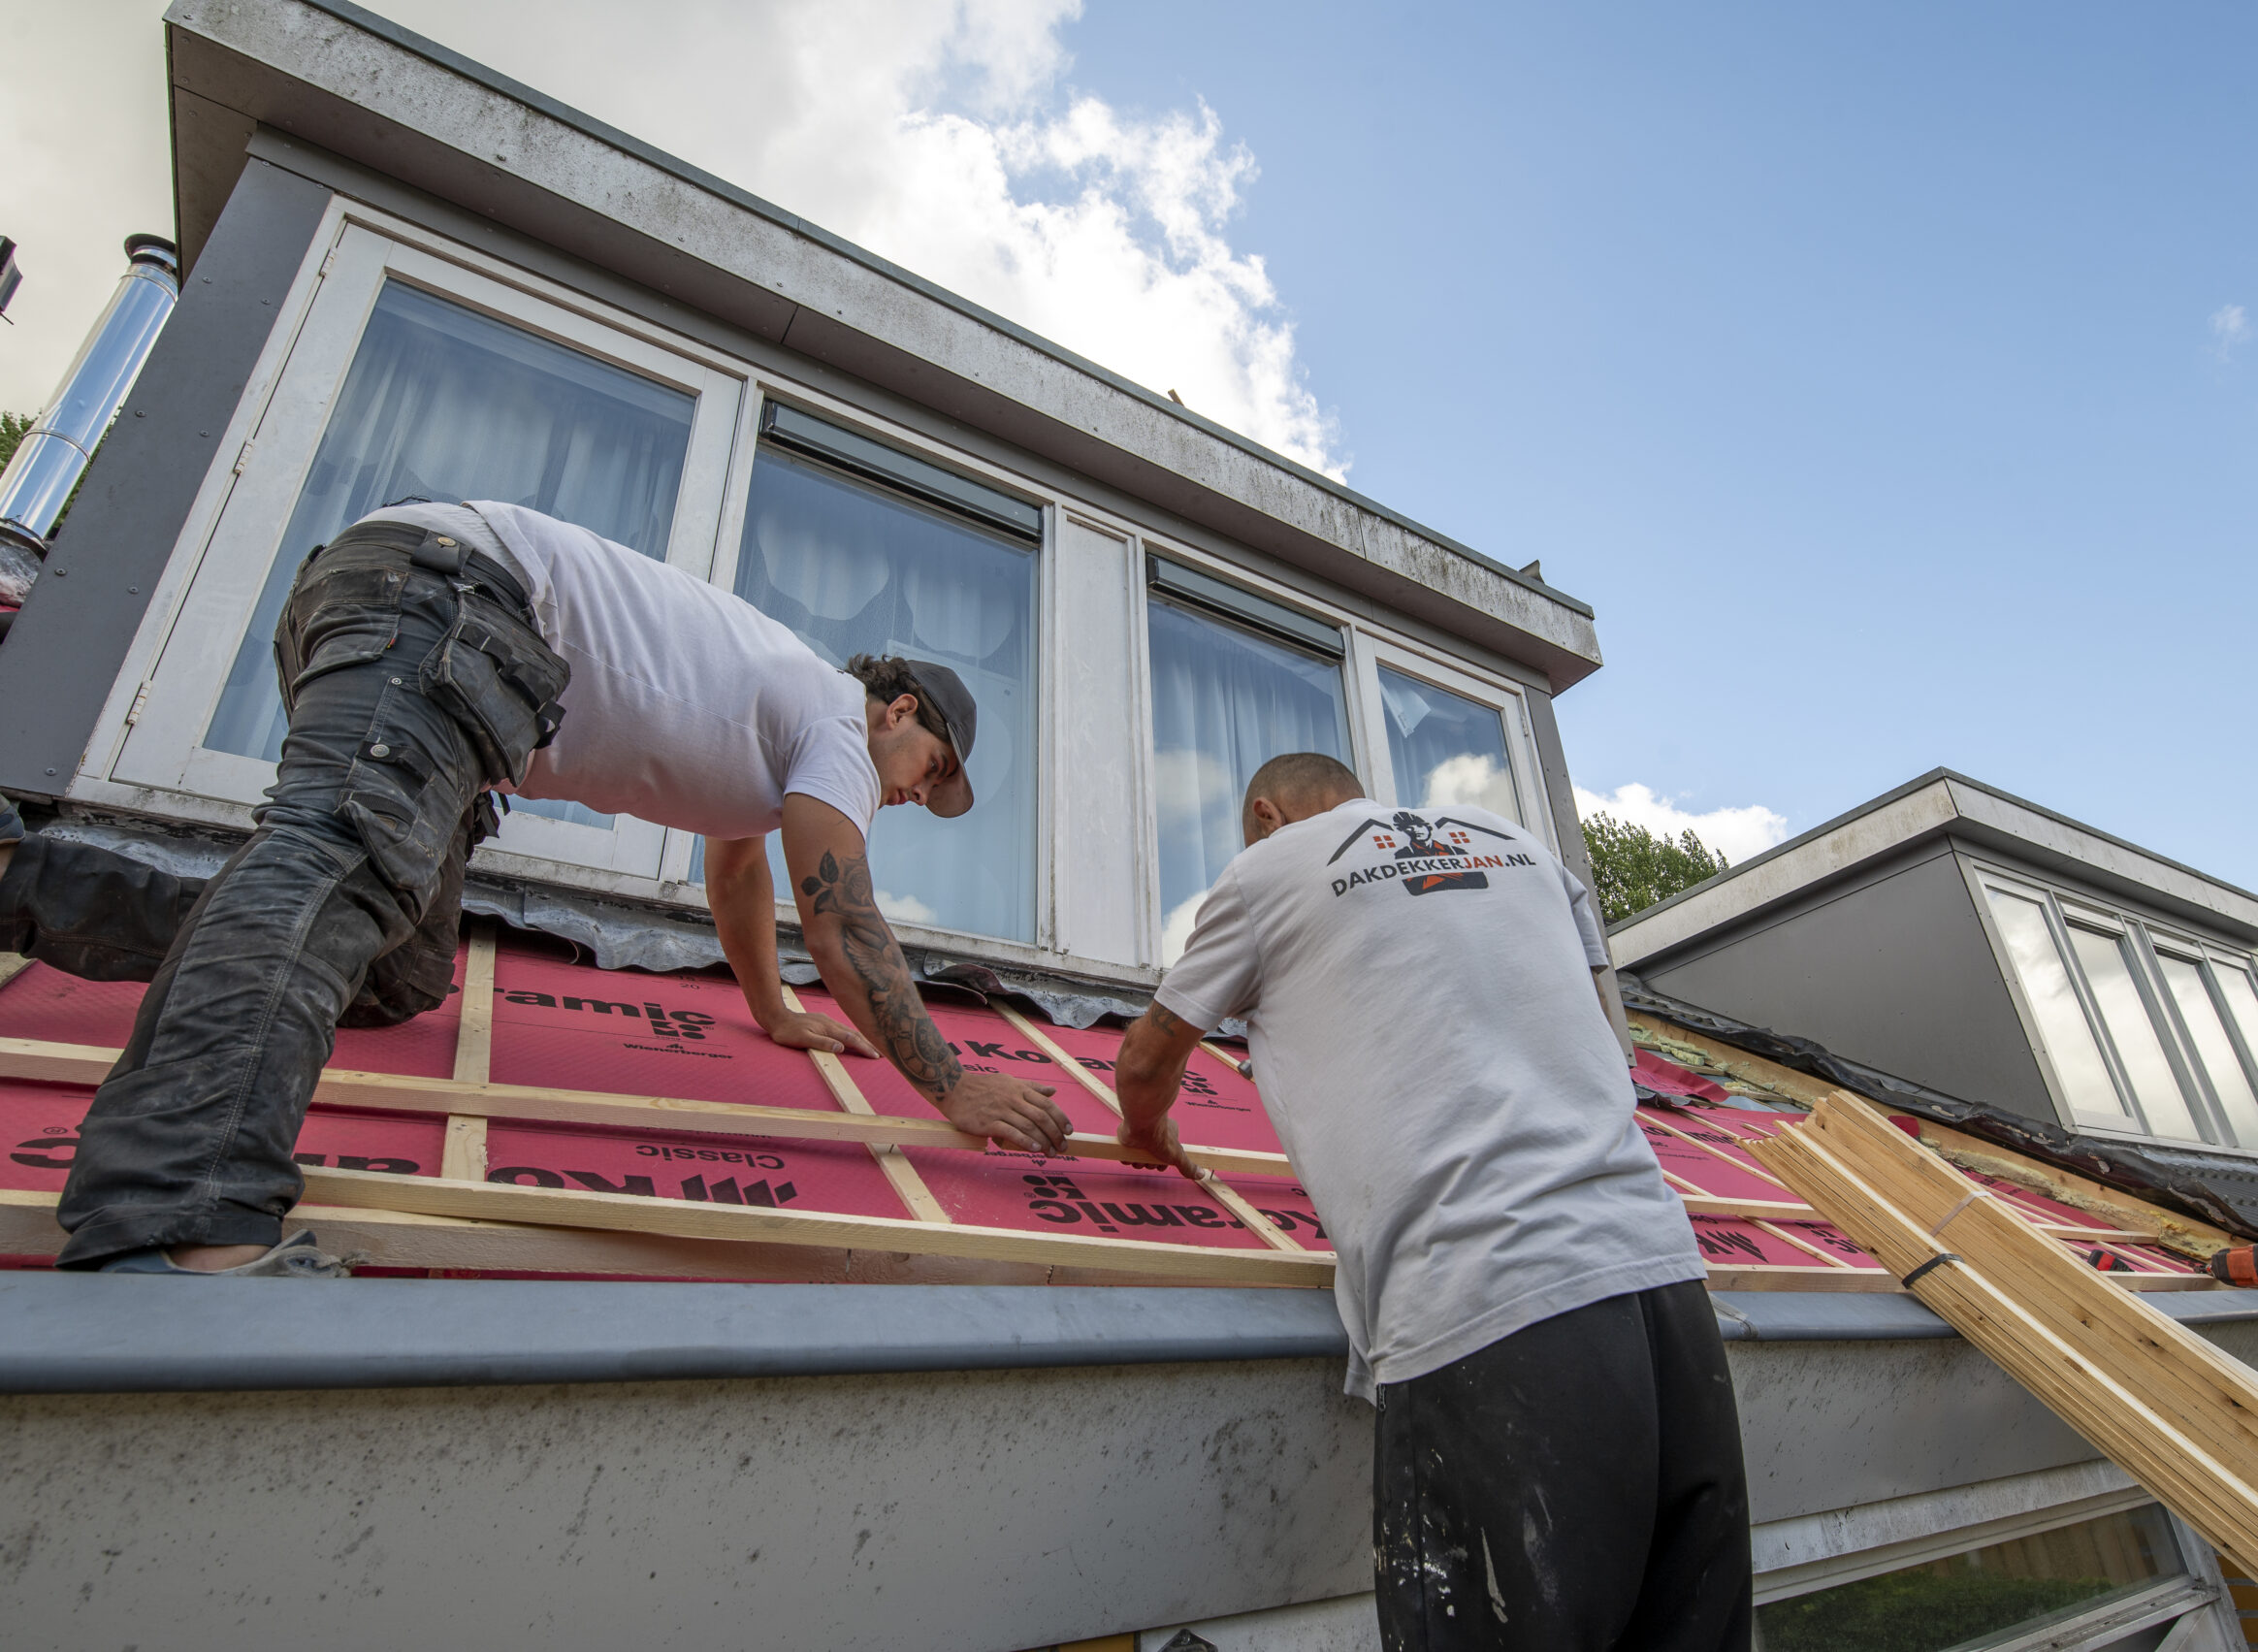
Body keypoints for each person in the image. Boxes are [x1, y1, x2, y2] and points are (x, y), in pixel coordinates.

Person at [28, 499, 1069, 1277]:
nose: (915, 794)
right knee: (343, 871)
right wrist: (950, 1083)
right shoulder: (839, 719)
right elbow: (842, 918)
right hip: (448, 602)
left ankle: (20, 879)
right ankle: (179, 1214)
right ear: (898, 709)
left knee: (391, 967)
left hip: (414, 615)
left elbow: (738, 873)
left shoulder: (778, 742)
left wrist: (771, 1009)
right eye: (930, 767)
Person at [1113, 752, 1750, 1651]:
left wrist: (1144, 1129)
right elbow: (1612, 1047)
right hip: (1668, 1289)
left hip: (1484, 1298)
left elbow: (1145, 1058)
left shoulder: (1269, 870)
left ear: (1264, 816)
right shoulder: (1521, 847)